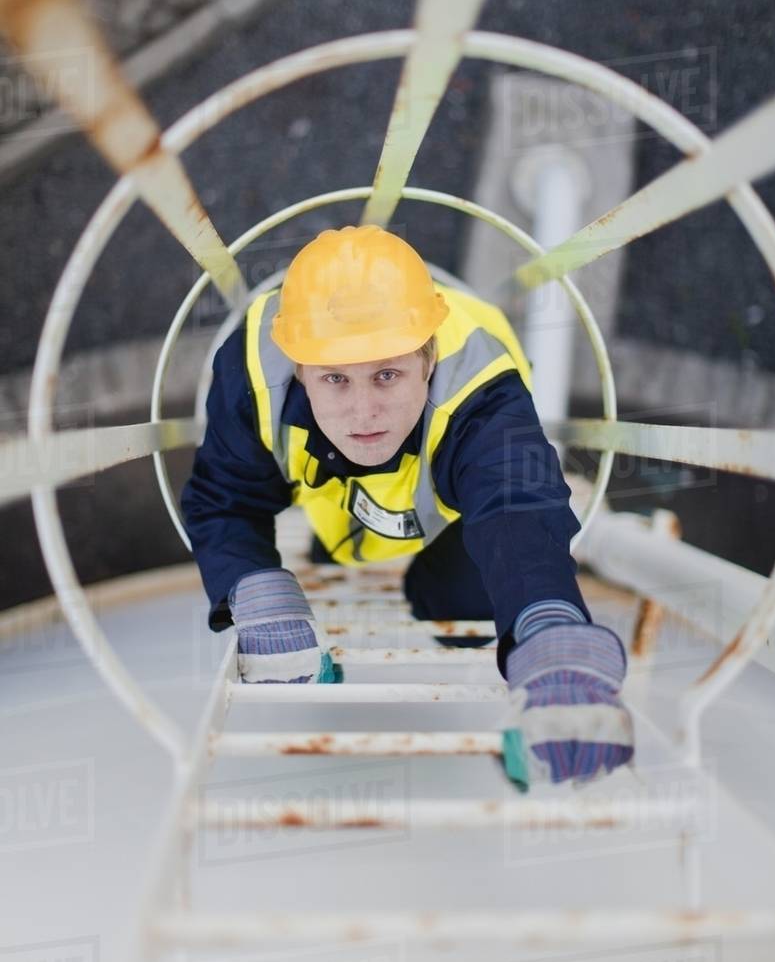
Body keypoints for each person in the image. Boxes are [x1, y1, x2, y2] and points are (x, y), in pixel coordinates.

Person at [181, 225, 634, 783]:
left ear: (429, 355)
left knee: (457, 610)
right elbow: (224, 497)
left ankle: (501, 671)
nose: (363, 413)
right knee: (328, 557)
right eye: (335, 380)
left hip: (445, 519)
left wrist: (548, 626)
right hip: (338, 512)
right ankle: (335, 556)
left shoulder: (481, 390)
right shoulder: (252, 373)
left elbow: (516, 504)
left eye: (388, 374)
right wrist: (253, 585)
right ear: (299, 367)